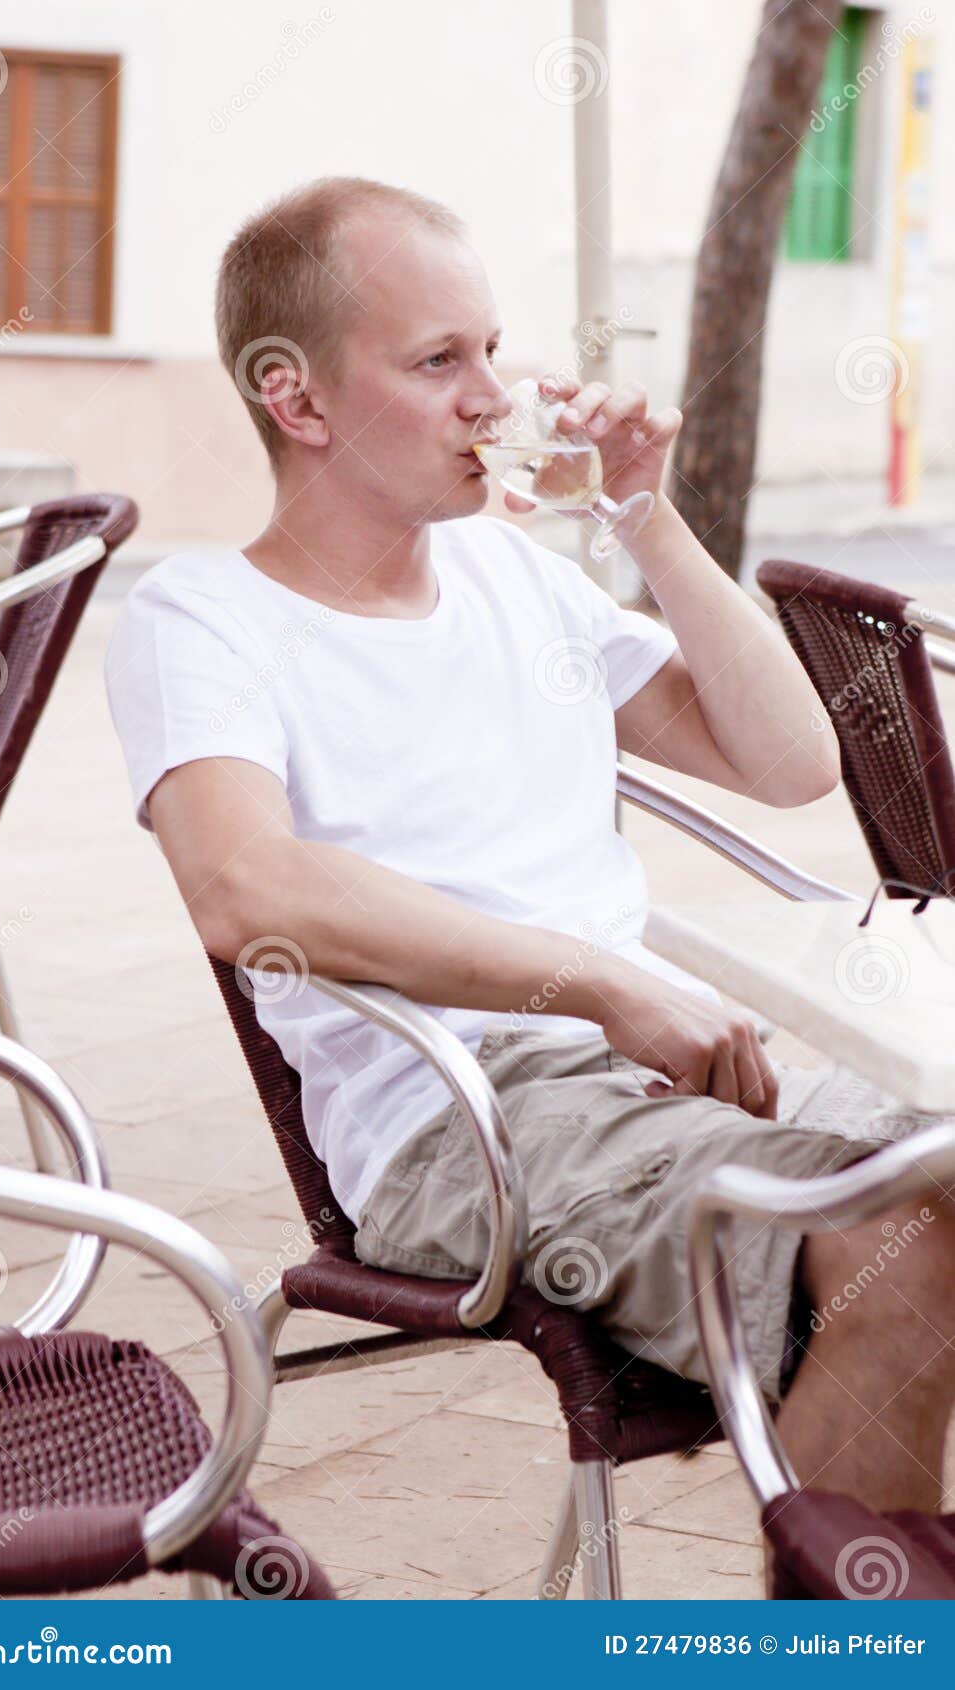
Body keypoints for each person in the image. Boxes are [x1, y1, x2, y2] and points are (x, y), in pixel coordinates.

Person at [105, 177, 955, 1536]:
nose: (494, 395)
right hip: (465, 1122)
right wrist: (602, 984)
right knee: (900, 1242)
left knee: (940, 1186)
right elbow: (242, 884)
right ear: (299, 399)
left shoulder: (517, 578)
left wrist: (644, 514)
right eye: (440, 361)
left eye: (493, 349)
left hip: (660, 1064)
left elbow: (793, 760)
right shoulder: (204, 616)